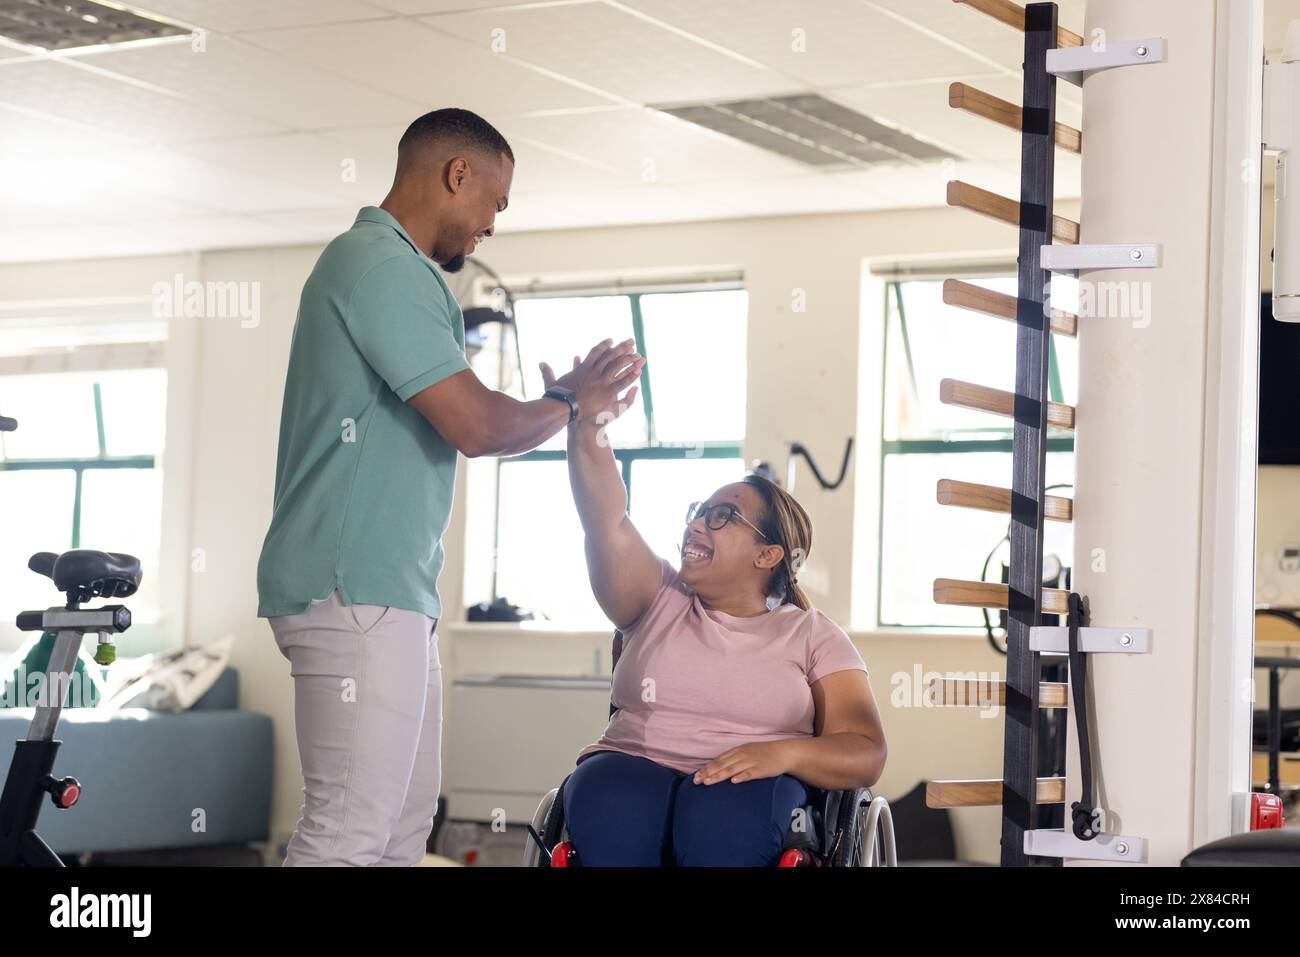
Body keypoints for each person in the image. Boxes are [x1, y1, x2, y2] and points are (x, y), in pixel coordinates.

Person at [256, 107, 643, 866]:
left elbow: (485, 418)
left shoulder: (395, 273)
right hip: (355, 590)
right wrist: (568, 402)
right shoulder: (379, 266)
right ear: (455, 174)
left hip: (389, 597)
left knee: (401, 836)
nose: (492, 225)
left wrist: (560, 401)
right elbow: (478, 424)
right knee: (345, 837)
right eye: (495, 202)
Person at [559, 404, 887, 866]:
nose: (695, 525)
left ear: (768, 555)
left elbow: (865, 751)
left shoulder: (813, 635)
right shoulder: (657, 596)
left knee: (723, 821)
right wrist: (587, 422)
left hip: (753, 782)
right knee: (614, 805)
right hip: (629, 766)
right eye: (700, 512)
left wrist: (783, 754)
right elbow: (605, 520)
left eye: (723, 517)